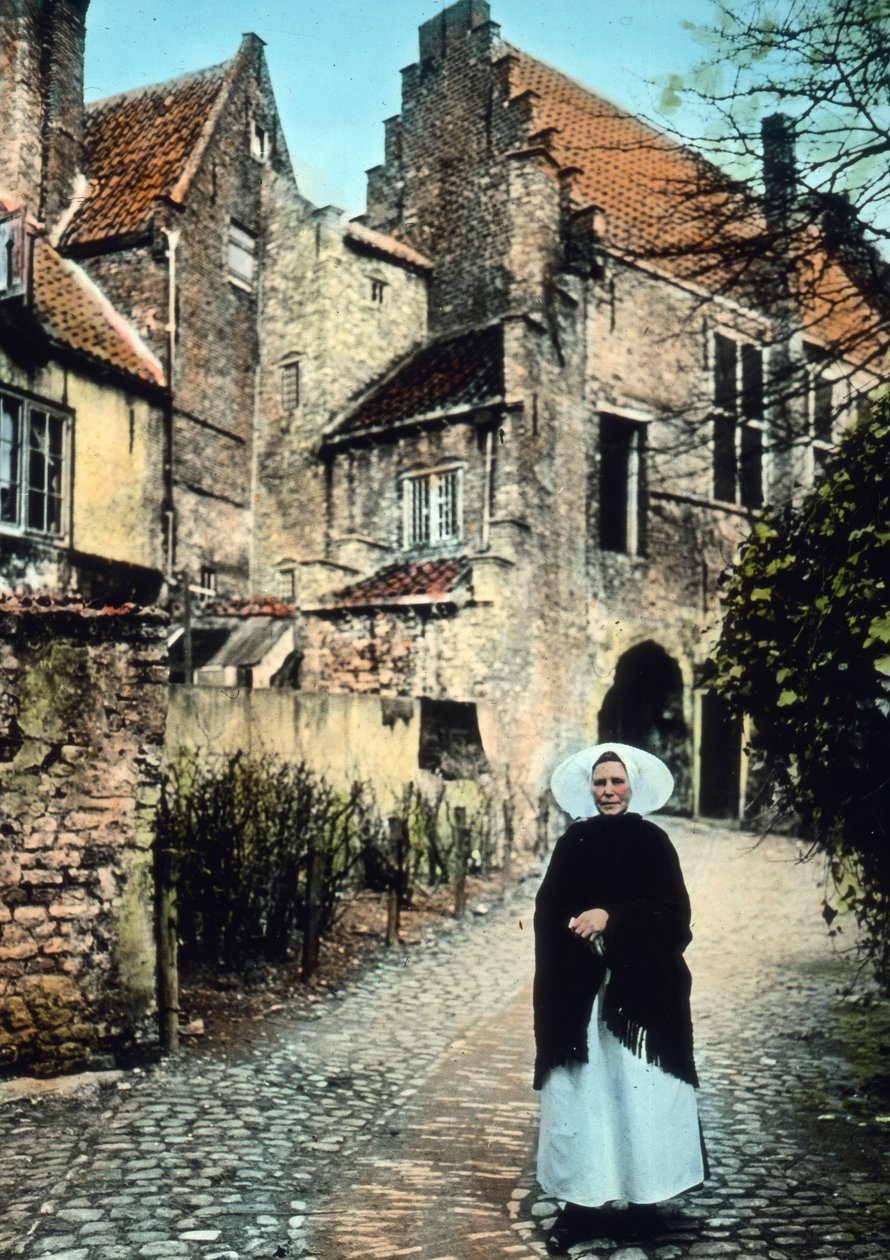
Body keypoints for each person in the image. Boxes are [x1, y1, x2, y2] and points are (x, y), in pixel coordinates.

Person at [533, 742, 705, 1253]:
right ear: (589, 788)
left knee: (640, 1092)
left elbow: (674, 915)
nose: (608, 792)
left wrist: (614, 919)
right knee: (586, 1094)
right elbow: (548, 910)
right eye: (600, 783)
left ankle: (645, 1202)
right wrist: (576, 929)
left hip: (641, 997)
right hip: (582, 994)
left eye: (616, 782)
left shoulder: (654, 843)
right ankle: (581, 1203)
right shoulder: (574, 842)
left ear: (632, 786)